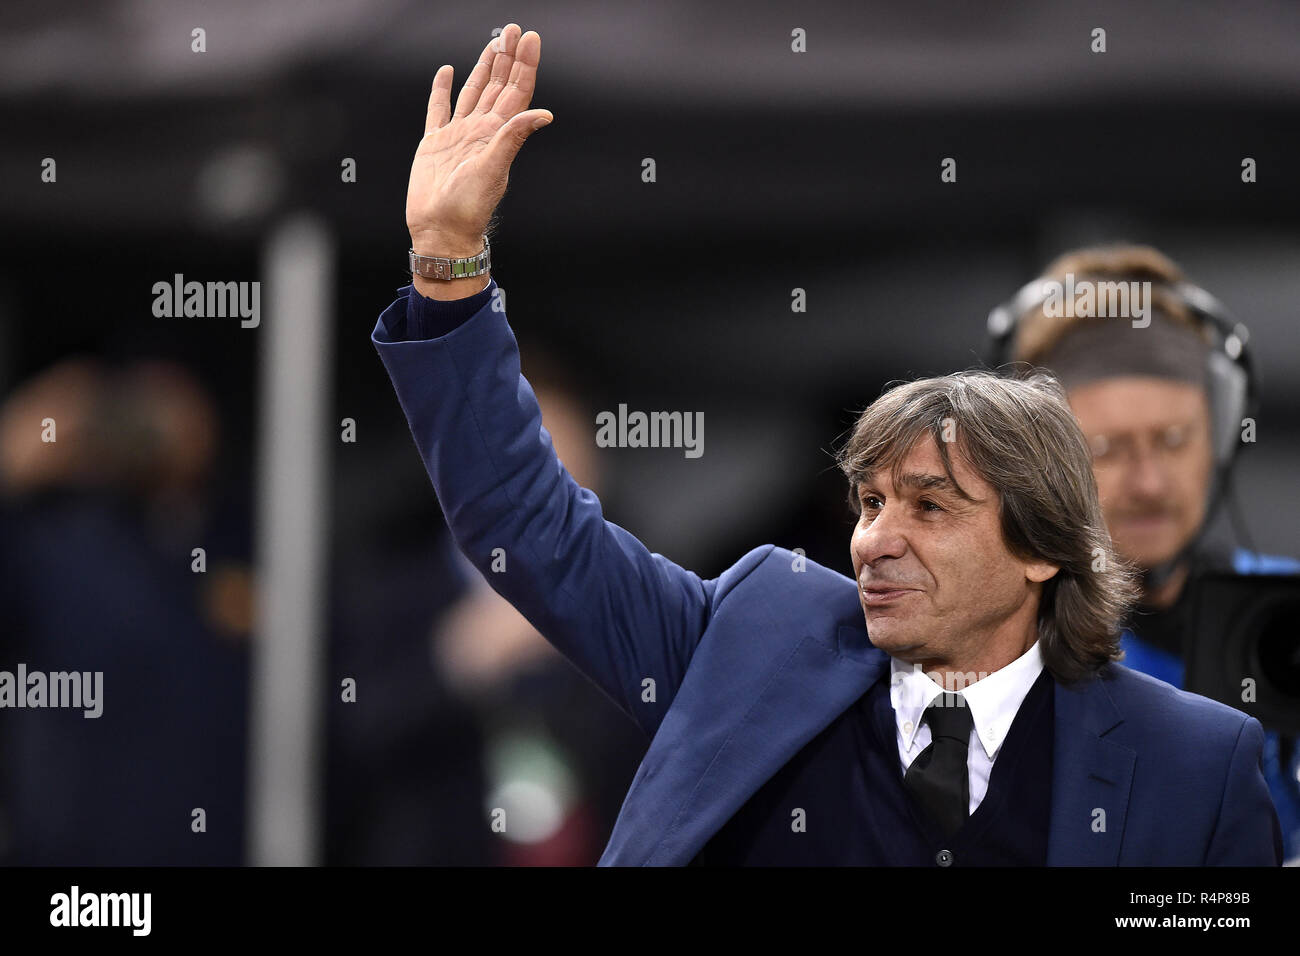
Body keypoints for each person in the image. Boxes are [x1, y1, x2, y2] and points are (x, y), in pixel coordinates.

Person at [372, 23, 1281, 865]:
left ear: (1043, 547)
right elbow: (527, 526)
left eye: (931, 506)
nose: (876, 539)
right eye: (871, 502)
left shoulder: (1196, 762)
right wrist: (449, 259)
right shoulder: (754, 640)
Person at [992, 245, 1300, 861]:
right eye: (1106, 447)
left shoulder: (1291, 607)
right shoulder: (993, 650)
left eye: (1174, 438)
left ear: (1220, 431)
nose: (1150, 483)